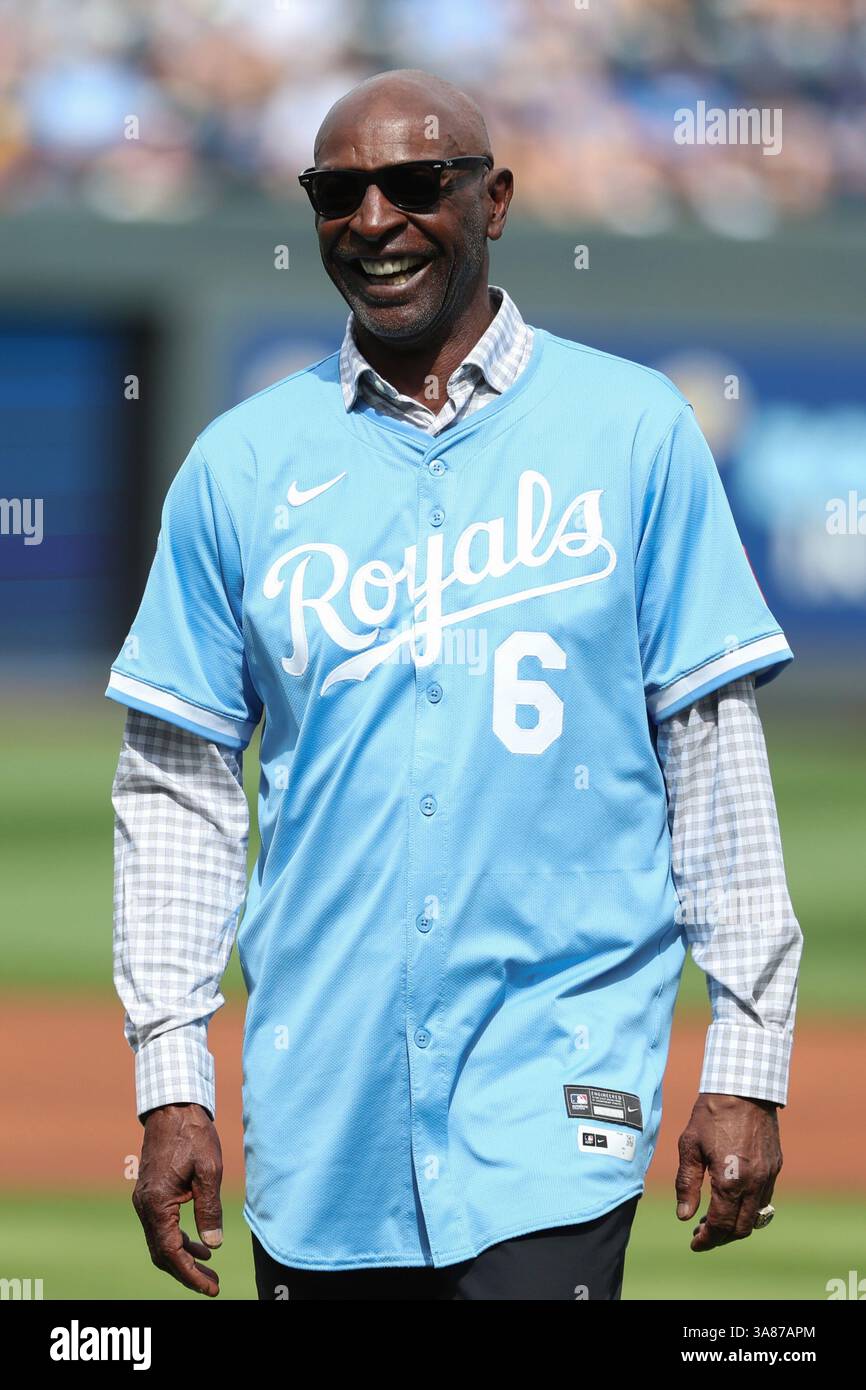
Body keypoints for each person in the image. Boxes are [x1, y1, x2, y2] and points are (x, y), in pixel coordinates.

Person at [107, 69, 803, 1301]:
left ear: (496, 199)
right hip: (324, 1113)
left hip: (560, 1081)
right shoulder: (238, 465)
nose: (373, 220)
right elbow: (177, 791)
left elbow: (709, 760)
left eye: (415, 185)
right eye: (337, 193)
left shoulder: (632, 429)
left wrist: (745, 1060)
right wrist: (172, 1082)